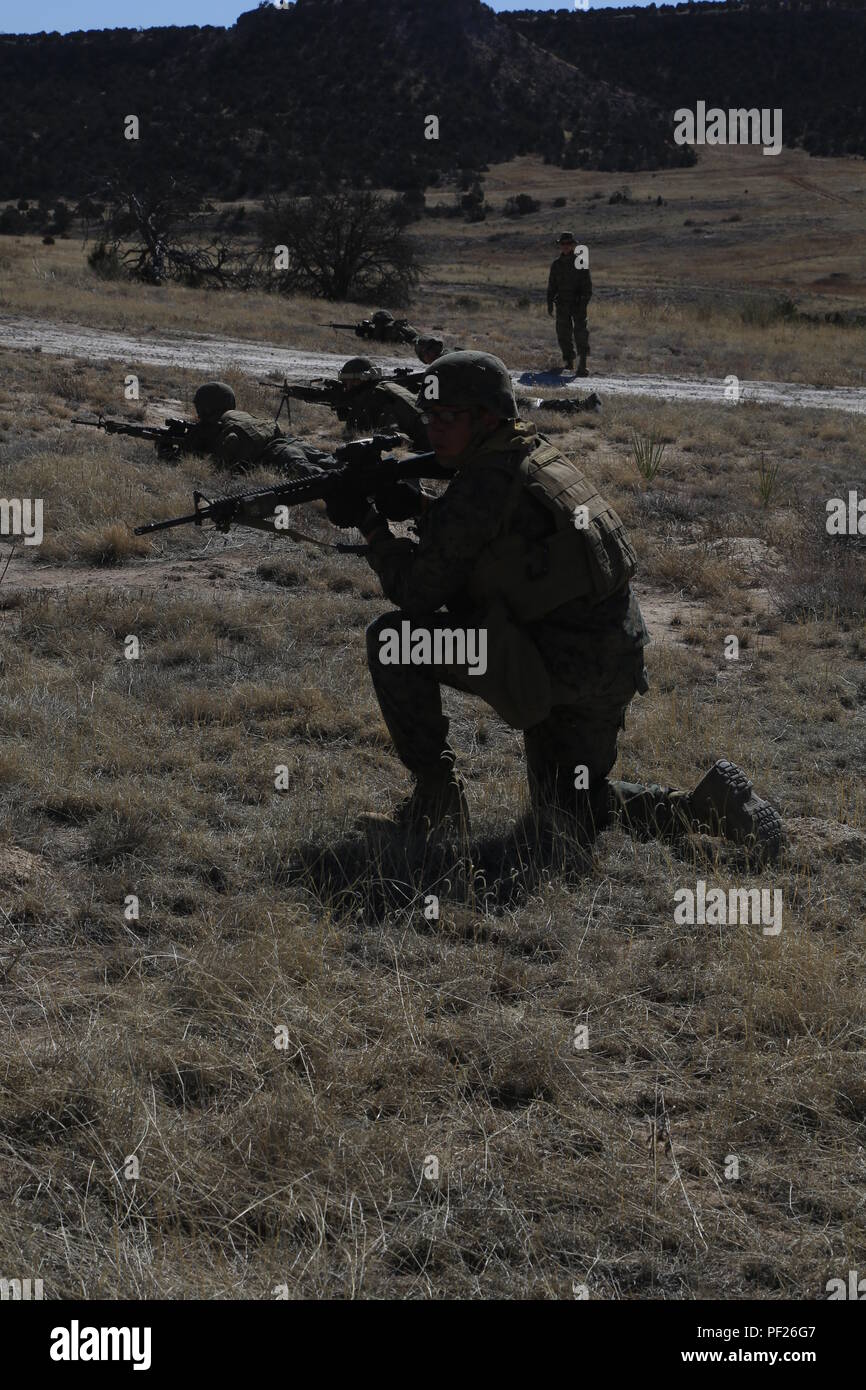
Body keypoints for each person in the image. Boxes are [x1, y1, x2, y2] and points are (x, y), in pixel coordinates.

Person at [326, 351, 782, 857]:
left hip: (554, 664)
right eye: (429, 416)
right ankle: (707, 808)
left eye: (448, 418)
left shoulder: (484, 483)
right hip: (611, 661)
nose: (433, 429)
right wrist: (418, 506)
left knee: (393, 640)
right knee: (570, 812)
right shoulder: (537, 455)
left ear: (488, 418)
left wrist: (370, 525)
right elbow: (509, 544)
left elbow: (417, 593)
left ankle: (437, 800)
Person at [175, 382, 327, 477]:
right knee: (336, 464)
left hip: (275, 455)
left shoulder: (211, 425)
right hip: (293, 443)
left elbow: (184, 455)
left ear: (206, 406)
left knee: (321, 477)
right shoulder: (239, 415)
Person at [337, 358, 430, 451]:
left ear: (365, 378)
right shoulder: (387, 387)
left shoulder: (377, 396)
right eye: (346, 381)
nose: (348, 386)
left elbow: (395, 436)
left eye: (352, 381)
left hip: (427, 445)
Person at [547, 232, 592, 376]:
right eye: (563, 244)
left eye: (568, 244)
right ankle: (569, 361)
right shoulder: (556, 265)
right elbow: (552, 286)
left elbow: (587, 287)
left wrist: (583, 303)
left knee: (580, 333)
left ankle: (582, 364)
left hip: (577, 303)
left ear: (573, 245)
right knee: (563, 334)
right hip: (562, 304)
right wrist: (549, 302)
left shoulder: (580, 263)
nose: (565, 246)